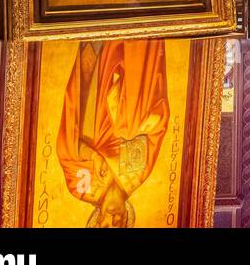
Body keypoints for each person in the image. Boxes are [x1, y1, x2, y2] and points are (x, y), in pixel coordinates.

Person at [57, 40, 169, 228]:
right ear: (126, 219)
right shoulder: (137, 176)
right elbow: (157, 125)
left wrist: (93, 155)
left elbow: (66, 150)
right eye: (117, 225)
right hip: (122, 90)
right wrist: (130, 122)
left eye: (105, 227)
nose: (111, 218)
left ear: (96, 223)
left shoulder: (82, 189)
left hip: (92, 92)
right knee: (133, 125)